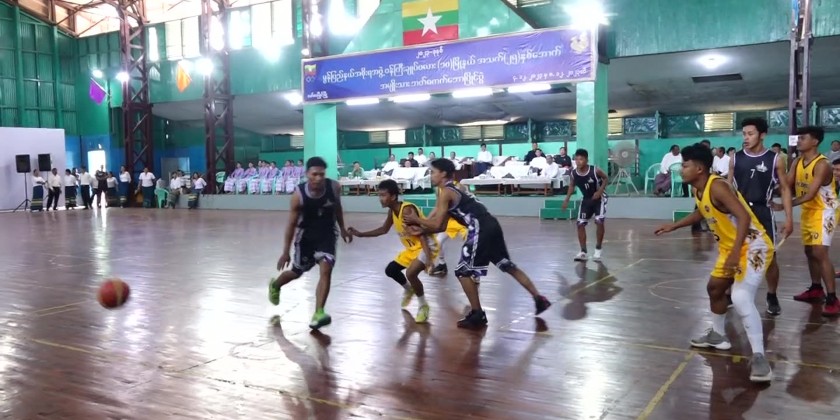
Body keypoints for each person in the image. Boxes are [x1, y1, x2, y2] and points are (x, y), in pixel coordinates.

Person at [655, 143, 773, 383]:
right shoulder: (699, 190)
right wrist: (674, 225)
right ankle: (718, 336)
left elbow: (742, 216)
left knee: (740, 297)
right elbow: (702, 212)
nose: (681, 169)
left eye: (685, 166)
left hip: (752, 247)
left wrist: (734, 253)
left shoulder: (717, 186)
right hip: (731, 248)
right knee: (715, 288)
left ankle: (760, 358)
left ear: (699, 168)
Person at [403, 158, 551, 328]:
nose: (431, 175)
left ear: (443, 174)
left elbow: (436, 224)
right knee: (508, 266)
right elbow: (442, 225)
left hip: (479, 227)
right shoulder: (456, 187)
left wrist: (416, 219)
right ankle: (539, 299)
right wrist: (422, 229)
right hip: (491, 224)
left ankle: (477, 314)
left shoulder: (446, 192)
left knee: (463, 272)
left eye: (433, 172)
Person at [268, 157, 352, 330]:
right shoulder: (298, 195)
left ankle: (319, 312)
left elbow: (338, 208)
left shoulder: (334, 187)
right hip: (305, 237)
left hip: (327, 235)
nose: (319, 178)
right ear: (307, 174)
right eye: (315, 174)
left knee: (326, 269)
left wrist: (342, 228)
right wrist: (285, 252)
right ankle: (275, 285)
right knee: (296, 272)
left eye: (322, 174)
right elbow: (291, 224)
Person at [347, 179, 438, 323]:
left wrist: (428, 259)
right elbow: (383, 230)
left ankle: (423, 306)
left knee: (411, 273)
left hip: (426, 246)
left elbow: (421, 234)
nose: (380, 199)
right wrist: (360, 234)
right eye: (379, 195)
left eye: (383, 195)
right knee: (391, 270)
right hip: (412, 249)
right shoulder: (392, 211)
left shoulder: (407, 210)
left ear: (393, 196)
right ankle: (409, 289)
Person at [728, 117, 793, 316]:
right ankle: (730, 293)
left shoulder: (775, 159)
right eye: (744, 134)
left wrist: (789, 218)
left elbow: (784, 188)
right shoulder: (735, 158)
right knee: (733, 255)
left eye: (750, 134)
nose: (746, 138)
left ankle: (772, 295)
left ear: (762, 135)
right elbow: (728, 187)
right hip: (738, 213)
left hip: (762, 213)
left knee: (771, 258)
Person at [786, 126, 840, 316]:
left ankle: (833, 298)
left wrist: (784, 205)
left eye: (803, 138)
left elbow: (809, 194)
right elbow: (787, 184)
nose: (798, 141)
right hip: (809, 211)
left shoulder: (822, 164)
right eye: (798, 138)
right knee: (809, 251)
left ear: (815, 141)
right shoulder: (797, 162)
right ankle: (816, 288)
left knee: (819, 252)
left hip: (825, 211)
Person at [561, 149, 609, 262]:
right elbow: (572, 186)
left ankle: (598, 250)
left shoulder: (595, 170)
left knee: (599, 221)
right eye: (576, 159)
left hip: (600, 199)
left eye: (581, 159)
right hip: (586, 199)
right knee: (580, 224)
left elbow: (606, 178)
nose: (578, 161)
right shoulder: (573, 173)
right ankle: (583, 252)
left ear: (586, 160)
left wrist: (600, 191)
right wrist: (566, 199)